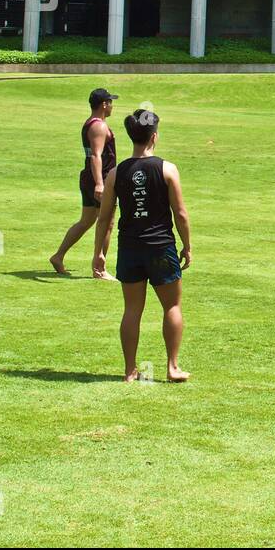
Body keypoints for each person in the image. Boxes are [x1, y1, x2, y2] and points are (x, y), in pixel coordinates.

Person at [93, 110, 192, 382]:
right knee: (171, 306)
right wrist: (187, 245)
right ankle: (172, 367)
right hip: (160, 248)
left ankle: (129, 370)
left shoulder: (116, 172)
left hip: (130, 249)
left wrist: (99, 253)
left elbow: (104, 218)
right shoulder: (167, 169)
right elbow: (180, 214)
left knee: (132, 310)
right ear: (154, 137)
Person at [50, 87, 119, 278]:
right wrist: (100, 183)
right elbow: (96, 156)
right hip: (100, 179)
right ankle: (100, 268)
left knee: (87, 220)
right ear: (104, 104)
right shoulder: (99, 126)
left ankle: (58, 256)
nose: (112, 106)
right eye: (111, 102)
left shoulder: (91, 123)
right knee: (107, 222)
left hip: (88, 178)